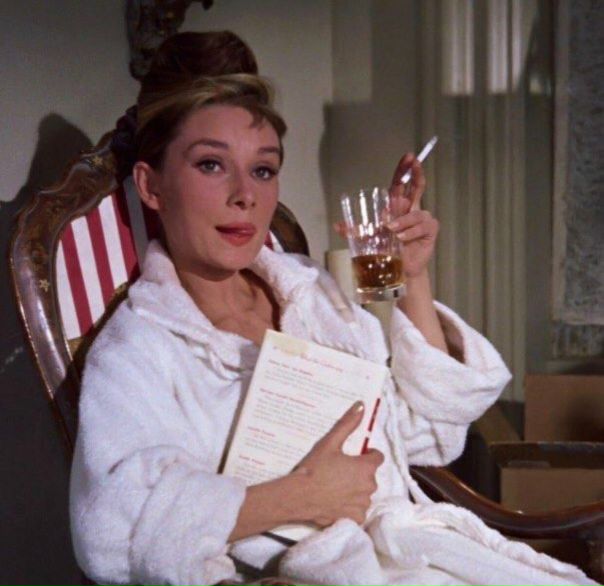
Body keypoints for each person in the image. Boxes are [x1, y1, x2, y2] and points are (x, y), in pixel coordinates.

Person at [69, 31, 598, 586]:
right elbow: (113, 531)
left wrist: (414, 278)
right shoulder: (138, 351)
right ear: (151, 186)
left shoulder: (309, 294)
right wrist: (302, 496)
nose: (245, 194)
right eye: (210, 165)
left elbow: (428, 434)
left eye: (263, 169)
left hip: (413, 556)